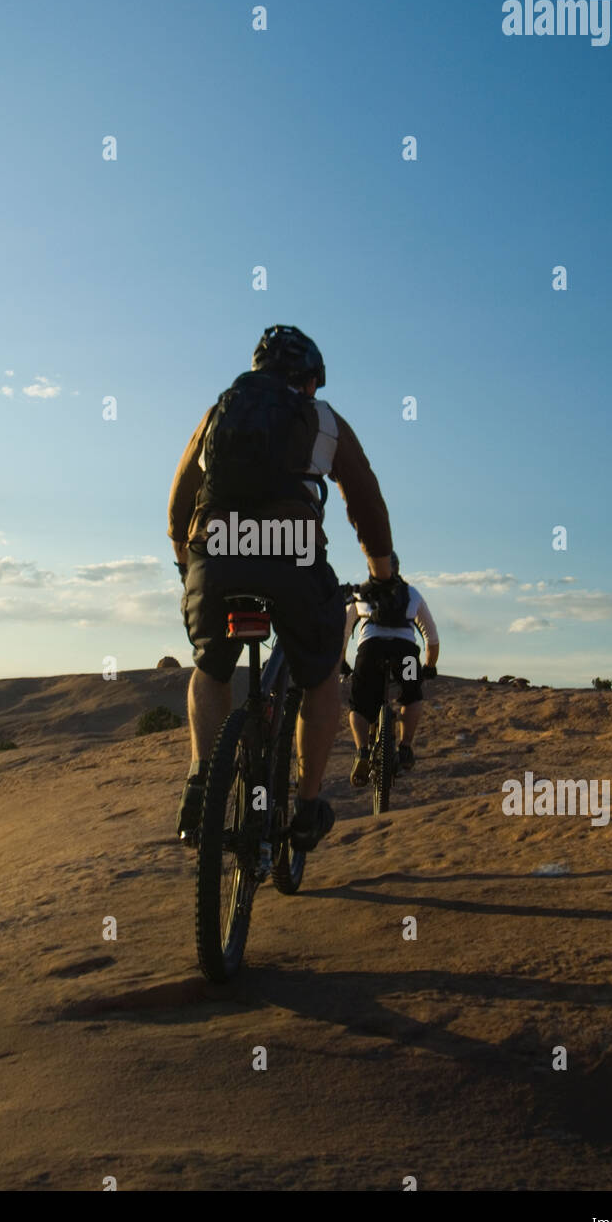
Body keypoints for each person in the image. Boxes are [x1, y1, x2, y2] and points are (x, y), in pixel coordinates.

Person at [167, 325, 398, 851]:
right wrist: (382, 575)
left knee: (210, 666)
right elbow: (365, 501)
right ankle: (308, 805)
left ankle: (203, 778)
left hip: (216, 544)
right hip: (289, 549)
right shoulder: (323, 420)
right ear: (309, 380)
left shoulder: (217, 413)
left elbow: (180, 500)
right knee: (319, 676)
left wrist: (189, 563)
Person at [343, 552, 439, 784]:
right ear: (398, 569)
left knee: (359, 705)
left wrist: (342, 664)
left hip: (370, 651)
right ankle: (405, 748)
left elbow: (342, 634)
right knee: (412, 696)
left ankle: (362, 752)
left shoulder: (360, 594)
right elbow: (432, 638)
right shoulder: (412, 594)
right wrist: (429, 666)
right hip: (404, 653)